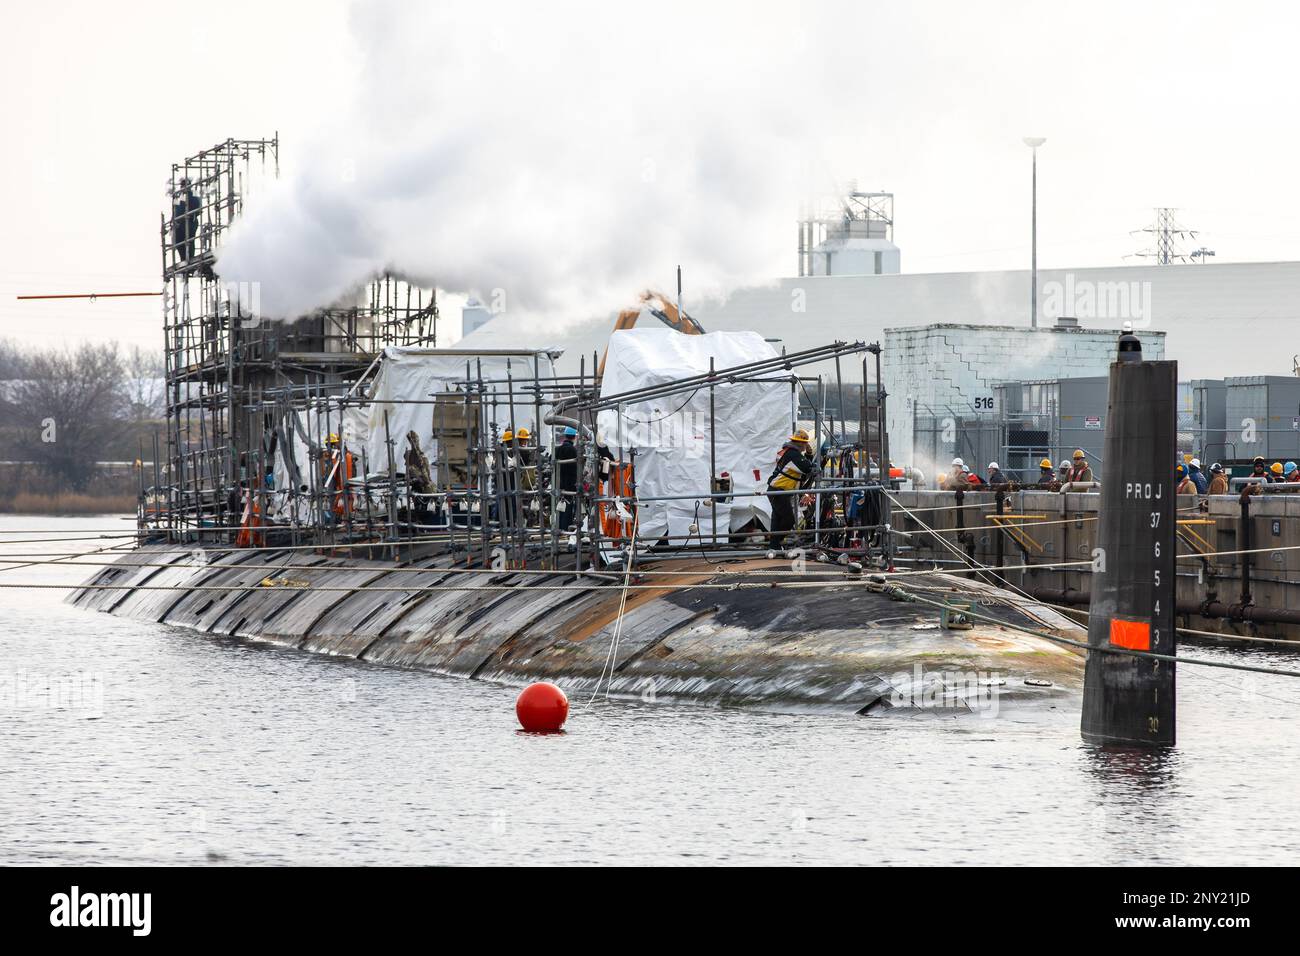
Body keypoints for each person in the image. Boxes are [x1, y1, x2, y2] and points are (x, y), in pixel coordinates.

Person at [767, 428, 816, 549]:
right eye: (805, 443)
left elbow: (803, 466)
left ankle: (774, 546)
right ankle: (776, 542)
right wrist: (811, 456)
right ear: (799, 443)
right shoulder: (793, 454)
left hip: (776, 490)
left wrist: (808, 455)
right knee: (789, 519)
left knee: (777, 519)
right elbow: (807, 468)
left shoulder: (789, 452)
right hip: (779, 490)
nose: (806, 445)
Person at [404, 430, 433, 526]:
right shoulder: (411, 456)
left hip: (423, 488)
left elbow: (425, 477)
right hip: (416, 488)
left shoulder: (421, 458)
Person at [554, 425, 579, 531]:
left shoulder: (558, 449)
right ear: (574, 437)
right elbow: (575, 469)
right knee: (568, 507)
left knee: (560, 506)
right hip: (570, 483)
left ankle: (559, 527)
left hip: (558, 482)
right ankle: (565, 529)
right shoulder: (572, 450)